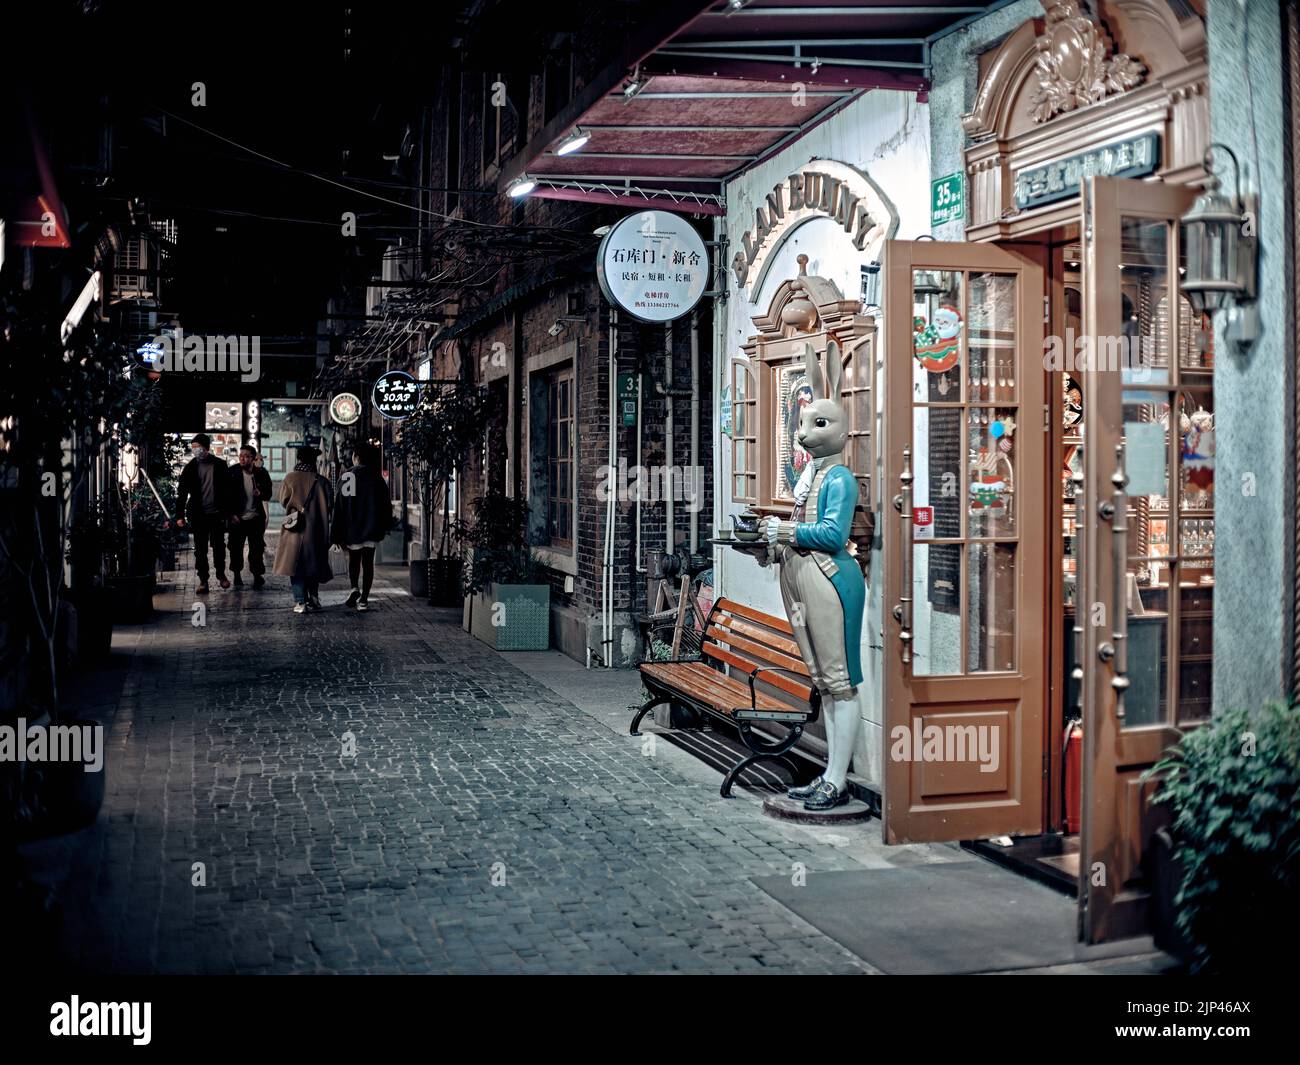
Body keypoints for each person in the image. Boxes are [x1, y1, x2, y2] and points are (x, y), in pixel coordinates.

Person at [330, 441, 393, 612]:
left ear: (356, 457)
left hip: (352, 527)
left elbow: (340, 506)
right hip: (371, 527)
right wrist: (386, 525)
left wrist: (335, 532)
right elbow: (386, 505)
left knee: (354, 560)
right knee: (368, 563)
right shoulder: (376, 478)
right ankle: (364, 599)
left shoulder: (347, 476)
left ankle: (353, 588)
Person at [272, 446, 333, 612]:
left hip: (294, 529)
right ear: (314, 461)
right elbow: (330, 505)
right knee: (314, 564)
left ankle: (300, 602)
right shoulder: (322, 481)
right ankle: (314, 597)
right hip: (316, 530)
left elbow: (283, 500)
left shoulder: (290, 478)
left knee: (295, 565)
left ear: (298, 459)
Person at [175, 433, 233, 594]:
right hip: (198, 514)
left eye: (198, 447)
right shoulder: (190, 467)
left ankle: (221, 575)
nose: (195, 450)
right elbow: (182, 493)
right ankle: (203, 580)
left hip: (216, 514)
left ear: (207, 448)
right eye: (193, 448)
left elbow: (228, 491)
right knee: (200, 549)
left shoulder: (220, 465)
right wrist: (179, 515)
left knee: (219, 547)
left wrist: (229, 513)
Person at [227, 443, 273, 589]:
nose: (242, 459)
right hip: (237, 519)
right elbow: (224, 495)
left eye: (246, 456)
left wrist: (261, 493)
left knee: (256, 550)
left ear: (253, 458)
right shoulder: (232, 472)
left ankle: (257, 575)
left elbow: (269, 493)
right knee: (235, 548)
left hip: (255, 518)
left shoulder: (261, 473)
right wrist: (231, 514)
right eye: (241, 456)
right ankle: (236, 575)